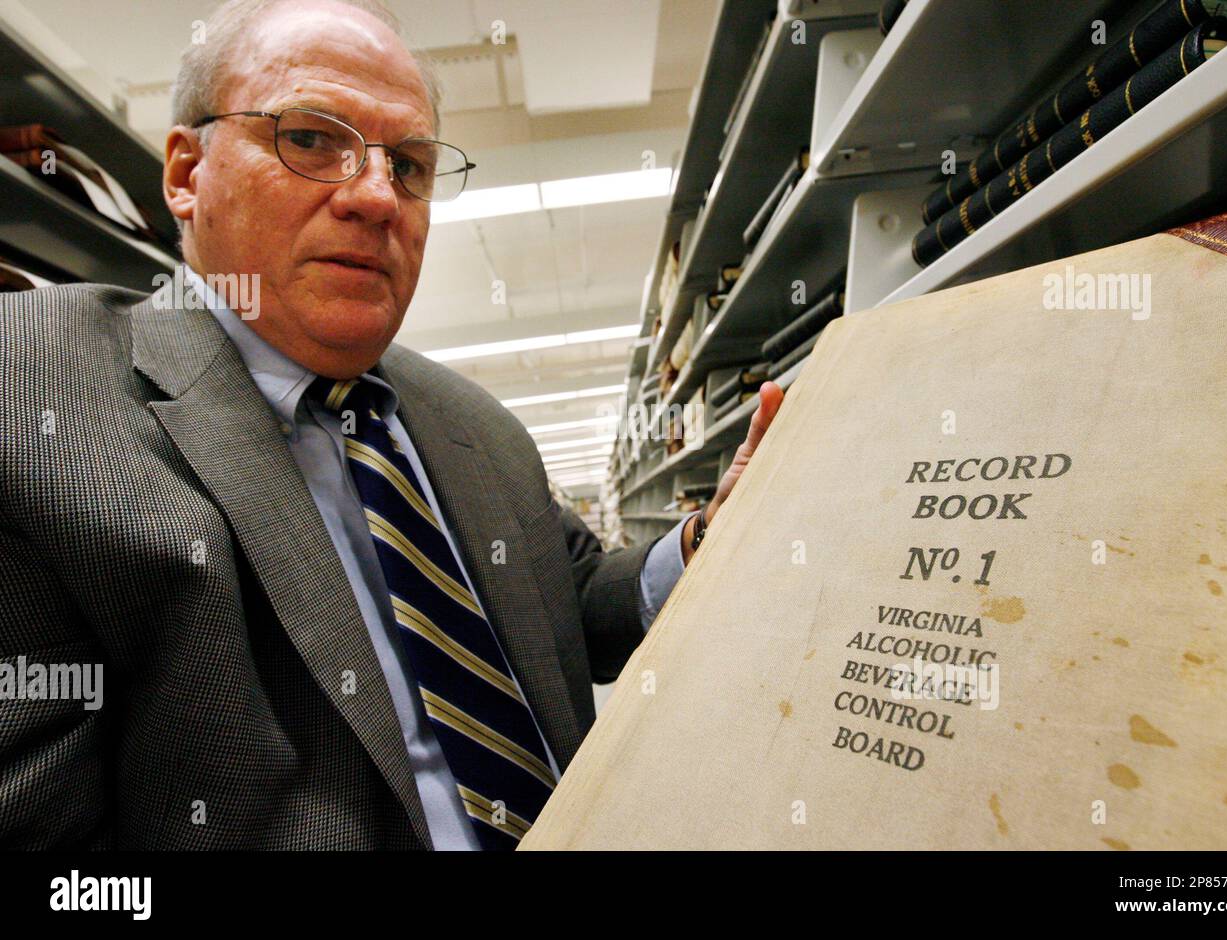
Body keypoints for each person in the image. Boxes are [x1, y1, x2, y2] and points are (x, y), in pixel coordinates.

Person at [0, 0, 783, 849]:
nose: (378, 196)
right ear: (188, 174)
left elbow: (573, 601)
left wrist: (714, 538)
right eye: (310, 138)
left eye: (408, 164)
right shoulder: (34, 394)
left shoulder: (472, 420)